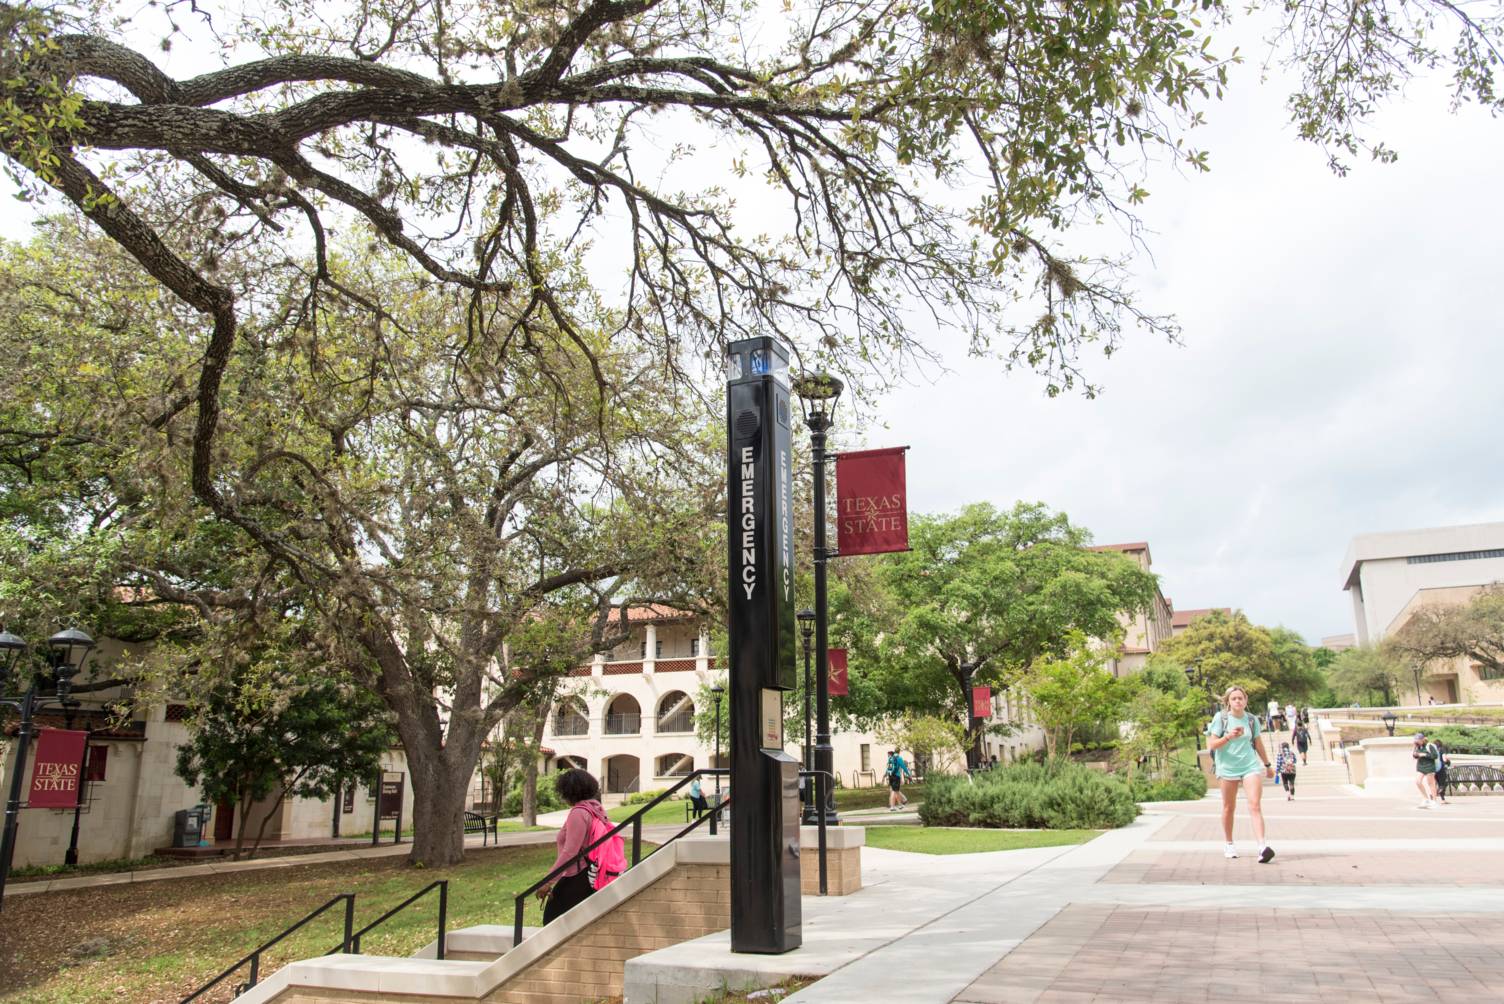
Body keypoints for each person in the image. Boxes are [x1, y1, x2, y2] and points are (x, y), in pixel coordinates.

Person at [1207, 685, 1276, 863]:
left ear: (1246, 701)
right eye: (1234, 698)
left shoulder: (1252, 720)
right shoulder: (1220, 718)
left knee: (1255, 805)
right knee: (1229, 807)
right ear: (1228, 702)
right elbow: (1212, 745)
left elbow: (1258, 743)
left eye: (1241, 698)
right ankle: (1229, 843)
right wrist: (1228, 736)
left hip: (1249, 766)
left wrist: (1267, 765)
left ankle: (1262, 847)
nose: (1238, 701)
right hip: (1227, 767)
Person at [536, 768, 611, 923]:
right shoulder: (594, 808)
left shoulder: (579, 813)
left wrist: (548, 881)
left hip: (578, 874)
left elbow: (570, 852)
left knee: (552, 919)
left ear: (569, 791)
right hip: (589, 872)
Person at [1412, 732, 1441, 809]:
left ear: (1422, 740)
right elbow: (1414, 756)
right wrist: (1415, 752)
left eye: (1417, 740)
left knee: (1431, 783)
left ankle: (1434, 801)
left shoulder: (1429, 745)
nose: (1416, 741)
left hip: (1429, 766)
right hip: (1421, 766)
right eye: (1415, 740)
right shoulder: (1417, 746)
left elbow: (1435, 755)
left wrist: (1424, 755)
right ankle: (1425, 798)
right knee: (1418, 781)